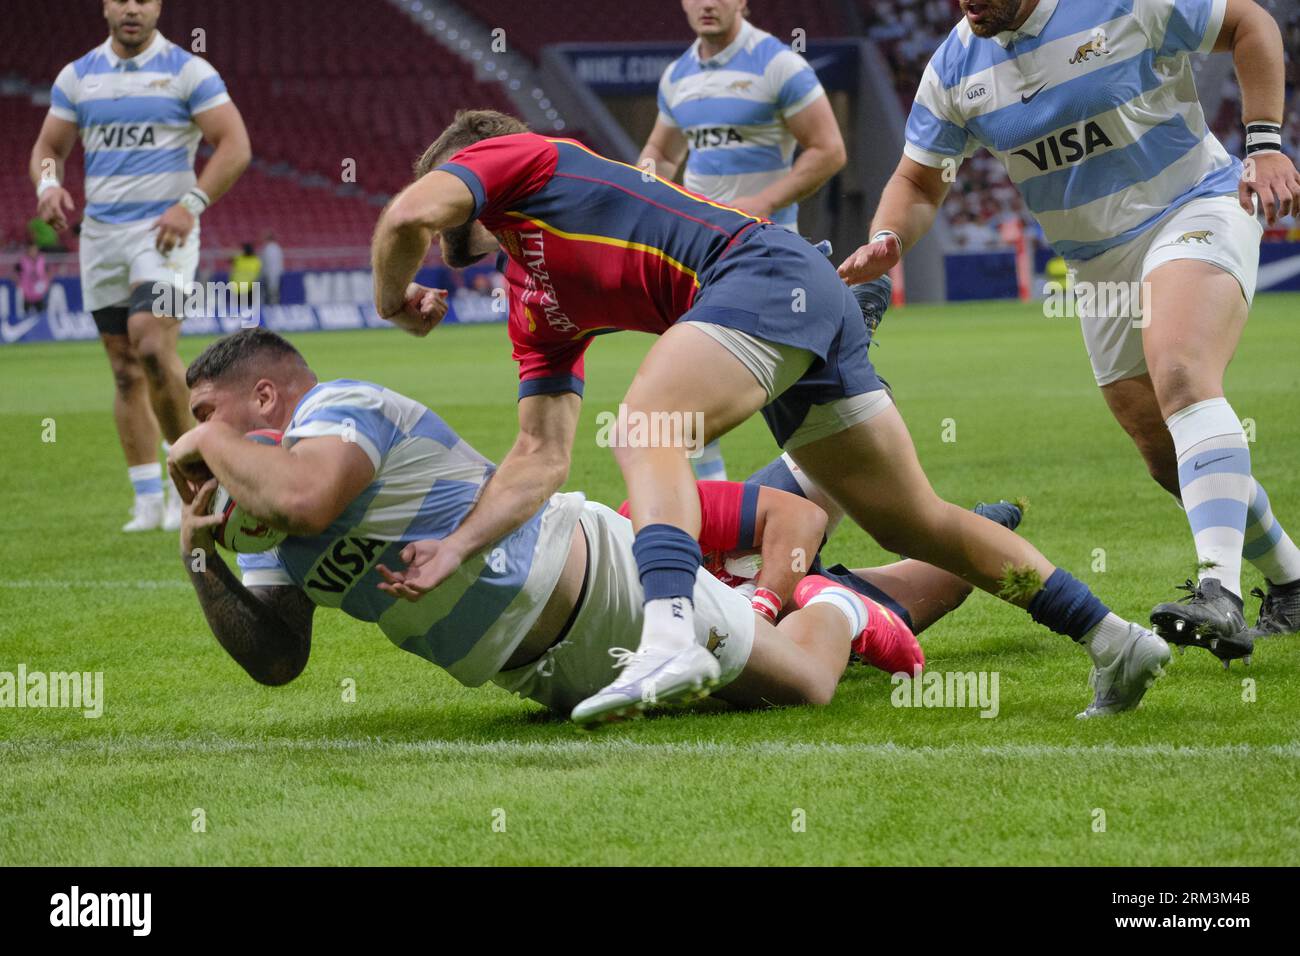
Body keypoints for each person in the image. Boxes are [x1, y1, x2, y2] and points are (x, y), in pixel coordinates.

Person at [369, 109, 1170, 721]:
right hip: (789, 304)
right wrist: (457, 547)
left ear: (467, 175)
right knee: (912, 524)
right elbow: (540, 457)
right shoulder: (532, 302)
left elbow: (405, 215)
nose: (437, 231)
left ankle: (670, 631)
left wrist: (390, 301)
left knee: (648, 426)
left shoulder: (519, 157)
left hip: (756, 272)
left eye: (447, 206)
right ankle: (1110, 637)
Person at [837, 0, 1300, 659]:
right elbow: (919, 179)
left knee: (1180, 371)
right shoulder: (954, 66)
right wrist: (888, 236)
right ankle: (1291, 579)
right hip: (1094, 263)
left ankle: (1218, 592)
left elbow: (1250, 23)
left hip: (1195, 206)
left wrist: (1265, 145)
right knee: (1164, 450)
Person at [168, 329, 920, 723]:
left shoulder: (339, 408)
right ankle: (849, 579)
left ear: (265, 396)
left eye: (205, 416)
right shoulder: (260, 521)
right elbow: (275, 660)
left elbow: (311, 499)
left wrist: (205, 445)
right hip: (540, 677)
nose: (195, 436)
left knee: (809, 684)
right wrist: (201, 560)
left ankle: (836, 603)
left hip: (603, 586)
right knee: (755, 694)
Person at [639, 0, 889, 481]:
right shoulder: (677, 76)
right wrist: (647, 189)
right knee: (689, 405)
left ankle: (845, 335)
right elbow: (662, 151)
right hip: (701, 258)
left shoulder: (778, 64)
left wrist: (764, 201)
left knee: (794, 406)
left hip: (767, 254)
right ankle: (715, 529)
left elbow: (829, 149)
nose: (707, 4)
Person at [29, 0, 251, 532]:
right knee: (126, 370)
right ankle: (147, 499)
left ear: (158, 7)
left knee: (152, 347)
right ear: (105, 6)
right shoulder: (78, 76)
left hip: (169, 236)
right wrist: (48, 183)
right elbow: (48, 148)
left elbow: (235, 145)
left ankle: (190, 483)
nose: (132, 8)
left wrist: (190, 204)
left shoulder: (188, 71)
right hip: (101, 240)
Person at [16, 244, 50, 314]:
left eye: (35, 250)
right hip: (27, 292)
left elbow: (48, 272)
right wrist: (18, 282)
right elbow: (15, 272)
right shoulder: (22, 261)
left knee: (41, 313)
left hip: (39, 291)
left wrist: (46, 282)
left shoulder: (42, 260)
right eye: (32, 250)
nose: (33, 252)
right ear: (28, 251)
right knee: (25, 313)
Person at [260, 231, 283, 304]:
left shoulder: (268, 249)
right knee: (274, 291)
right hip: (276, 272)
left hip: (270, 273)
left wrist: (264, 272)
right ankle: (274, 304)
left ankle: (272, 305)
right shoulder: (277, 248)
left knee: (271, 292)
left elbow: (266, 262)